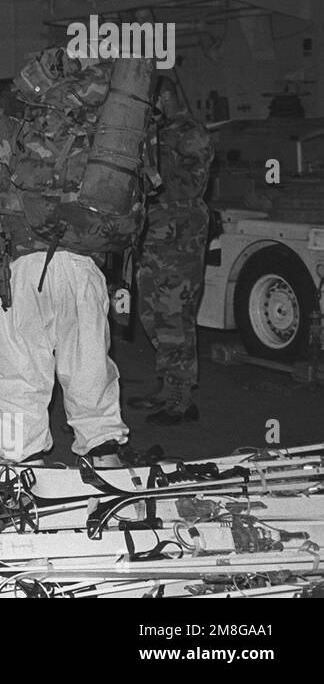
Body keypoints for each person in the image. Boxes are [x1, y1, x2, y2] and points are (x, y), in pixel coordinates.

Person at [0, 48, 146, 468]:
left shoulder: (20, 126)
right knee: (86, 359)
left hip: (24, 263)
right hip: (84, 264)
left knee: (18, 361)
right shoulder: (110, 134)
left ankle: (18, 454)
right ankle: (103, 448)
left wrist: (9, 98)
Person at [129, 75, 214, 425]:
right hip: (153, 235)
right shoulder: (154, 131)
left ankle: (181, 399)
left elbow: (191, 183)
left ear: (166, 97)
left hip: (178, 237)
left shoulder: (190, 133)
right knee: (153, 316)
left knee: (175, 317)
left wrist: (149, 174)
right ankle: (166, 388)